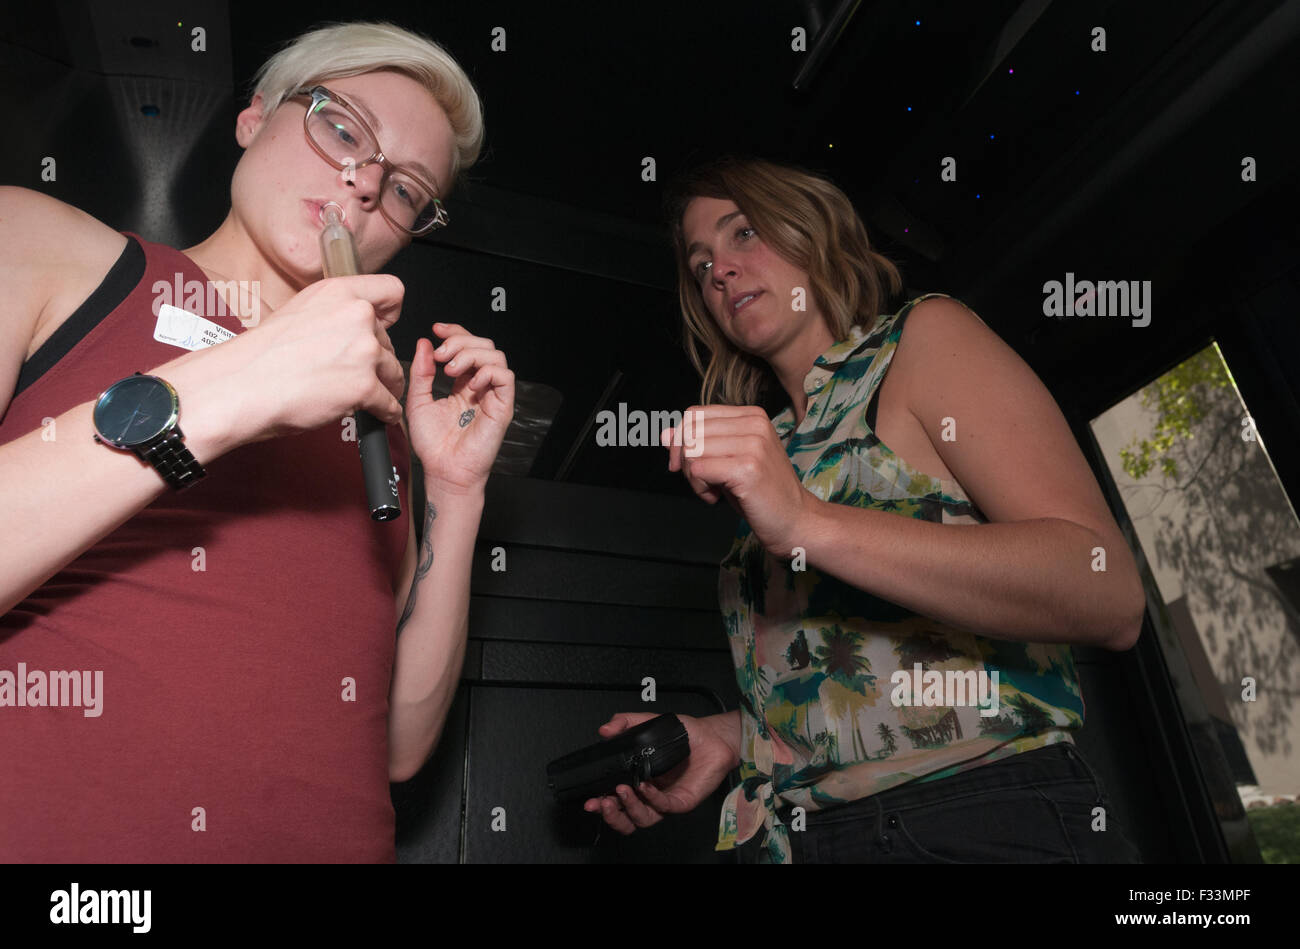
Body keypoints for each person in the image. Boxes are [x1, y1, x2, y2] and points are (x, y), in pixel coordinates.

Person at [0, 22, 514, 862]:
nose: (360, 181)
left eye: (406, 191)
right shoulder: (44, 250)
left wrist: (457, 494)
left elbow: (399, 744)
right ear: (253, 118)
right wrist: (246, 378)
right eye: (342, 127)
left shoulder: (379, 423)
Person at [586, 156, 1145, 864]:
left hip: (977, 815)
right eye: (700, 265)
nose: (720, 271)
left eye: (745, 234)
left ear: (812, 231)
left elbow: (1108, 592)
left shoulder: (921, 342)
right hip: (814, 836)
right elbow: (857, 675)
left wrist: (806, 522)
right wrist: (730, 737)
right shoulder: (774, 446)